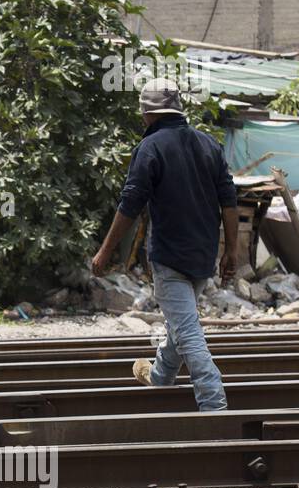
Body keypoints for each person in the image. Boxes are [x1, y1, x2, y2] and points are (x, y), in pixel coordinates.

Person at [91, 77, 239, 411]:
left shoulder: (150, 148)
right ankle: (158, 376)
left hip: (170, 257)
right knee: (180, 323)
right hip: (203, 255)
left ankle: (214, 405)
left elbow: (130, 204)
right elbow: (229, 201)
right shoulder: (209, 145)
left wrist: (104, 251)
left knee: (188, 332)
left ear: (147, 114)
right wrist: (231, 250)